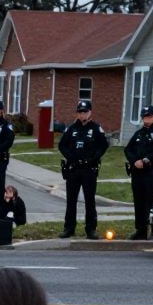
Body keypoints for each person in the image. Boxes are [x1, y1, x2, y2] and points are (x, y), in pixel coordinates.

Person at [57, 99, 108, 239]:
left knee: (89, 200)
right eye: (80, 112)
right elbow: (62, 145)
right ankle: (69, 228)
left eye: (85, 112)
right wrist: (71, 158)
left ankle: (91, 229)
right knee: (71, 200)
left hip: (89, 169)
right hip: (74, 169)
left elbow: (103, 146)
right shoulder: (71, 128)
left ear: (90, 112)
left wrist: (93, 159)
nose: (82, 114)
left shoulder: (96, 129)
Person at [123, 104, 153, 240]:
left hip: (151, 173)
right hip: (137, 173)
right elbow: (128, 149)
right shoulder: (139, 133)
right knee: (139, 201)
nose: (146, 119)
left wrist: (147, 160)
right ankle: (141, 229)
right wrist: (134, 161)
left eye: (149, 116)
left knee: (151, 202)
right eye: (144, 117)